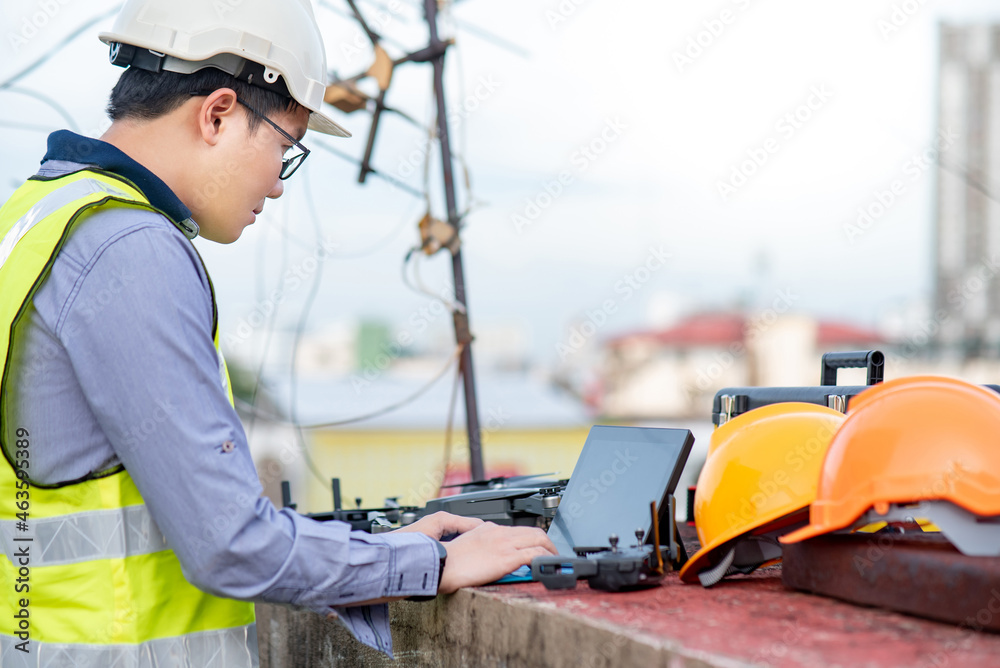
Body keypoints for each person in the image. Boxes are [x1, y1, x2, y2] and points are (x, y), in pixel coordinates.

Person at [0, 0, 557, 664]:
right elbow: (229, 543)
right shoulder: (130, 250)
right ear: (218, 113)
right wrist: (425, 562)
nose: (279, 185)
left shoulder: (34, 220)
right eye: (285, 150)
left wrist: (378, 548)